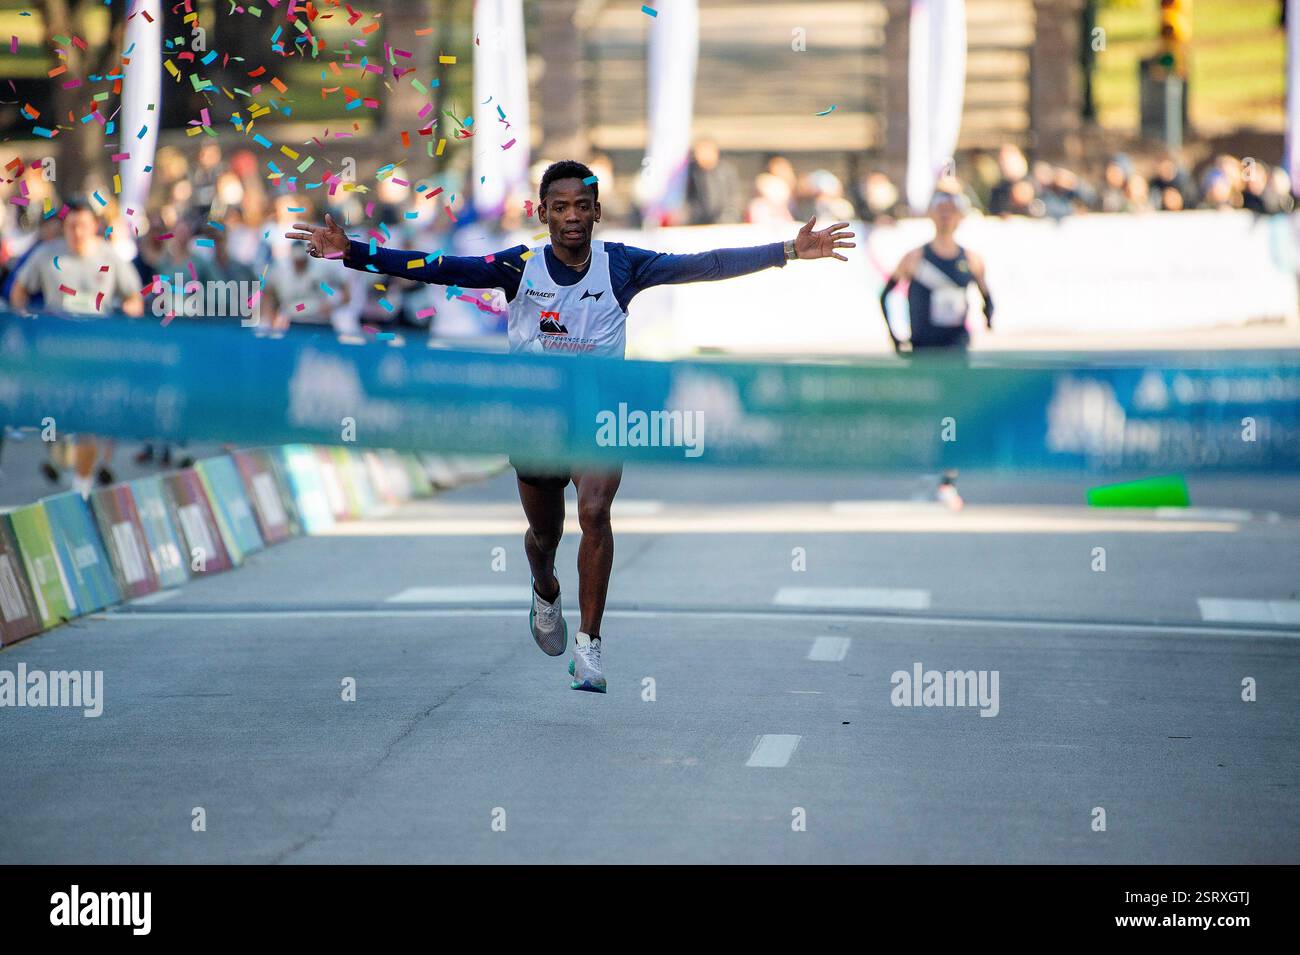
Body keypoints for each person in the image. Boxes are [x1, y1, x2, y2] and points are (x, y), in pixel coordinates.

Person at [287, 159, 855, 693]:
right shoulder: (519, 266)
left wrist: (786, 250)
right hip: (535, 417)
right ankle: (545, 589)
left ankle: (590, 643)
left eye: (583, 205)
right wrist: (352, 251)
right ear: (543, 215)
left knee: (595, 513)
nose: (573, 217)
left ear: (597, 212)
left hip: (601, 414)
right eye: (561, 207)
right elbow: (439, 269)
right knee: (545, 536)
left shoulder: (624, 265)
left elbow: (704, 264)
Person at [11, 197, 144, 494]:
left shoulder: (110, 257)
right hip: (55, 350)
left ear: (94, 226)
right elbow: (19, 290)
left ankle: (81, 487)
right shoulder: (46, 255)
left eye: (82, 225)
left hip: (98, 351)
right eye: (71, 226)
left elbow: (133, 296)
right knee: (55, 416)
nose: (77, 232)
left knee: (89, 418)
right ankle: (58, 452)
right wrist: (25, 323)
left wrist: (129, 319)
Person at [877, 190, 992, 510]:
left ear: (960, 218)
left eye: (951, 212)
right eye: (939, 211)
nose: (945, 217)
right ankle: (926, 472)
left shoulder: (971, 260)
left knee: (953, 413)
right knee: (926, 411)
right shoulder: (915, 258)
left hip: (954, 348)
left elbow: (987, 297)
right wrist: (895, 336)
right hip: (923, 347)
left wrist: (988, 318)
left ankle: (947, 480)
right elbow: (885, 295)